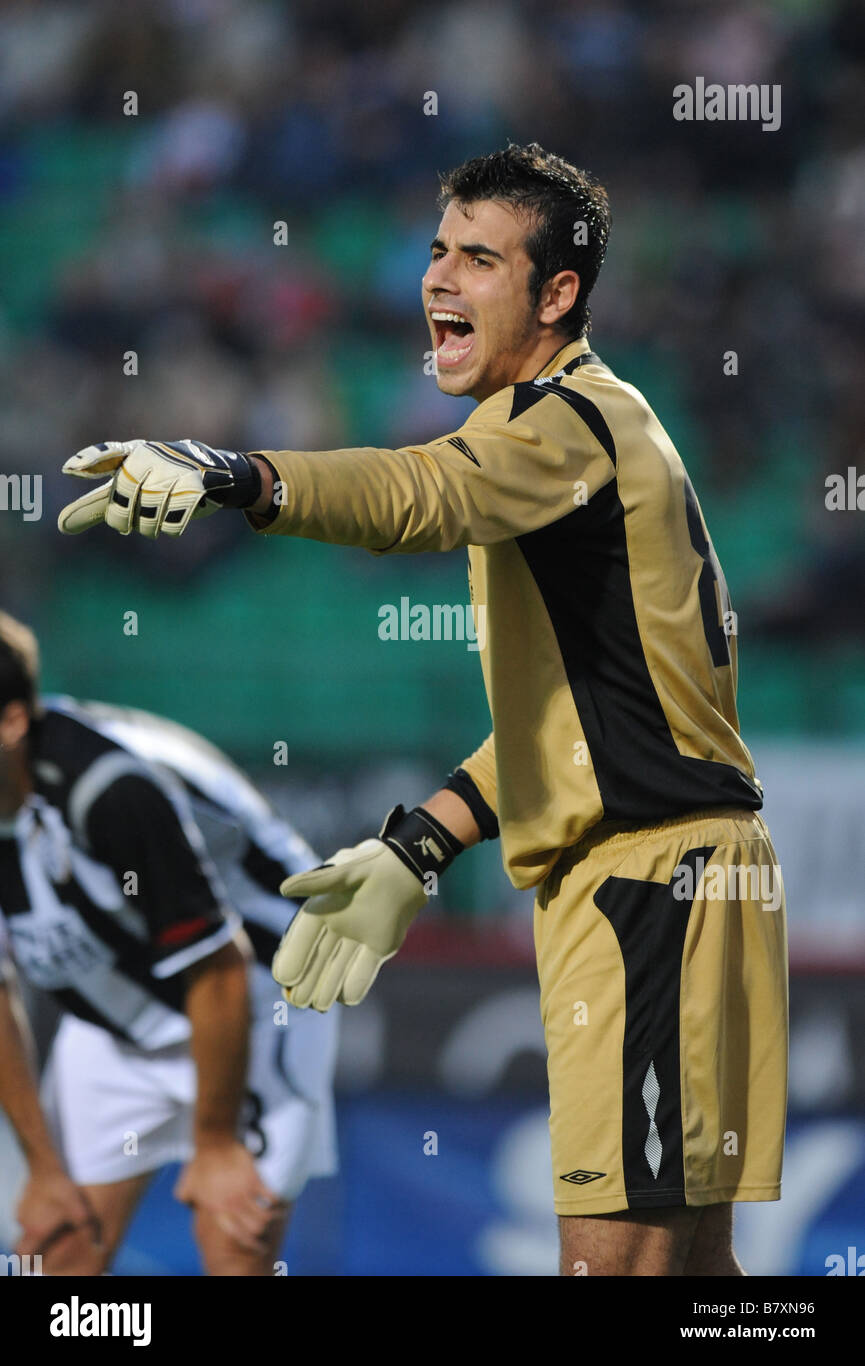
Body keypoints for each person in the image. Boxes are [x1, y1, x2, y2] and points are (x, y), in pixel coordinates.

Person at [57, 143, 788, 1277]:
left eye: (480, 259)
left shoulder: (558, 425)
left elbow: (418, 493)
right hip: (672, 877)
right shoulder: (588, 433)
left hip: (648, 889)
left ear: (557, 295)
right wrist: (420, 842)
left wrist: (237, 473)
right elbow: (586, 725)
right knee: (699, 1283)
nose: (438, 278)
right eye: (438, 250)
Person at [0, 611, 338, 1276]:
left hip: (258, 1000)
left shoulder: (110, 788)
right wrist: (40, 1167)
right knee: (56, 1253)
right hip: (115, 1013)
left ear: (11, 723)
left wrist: (213, 1144)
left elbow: (220, 968)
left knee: (235, 1248)